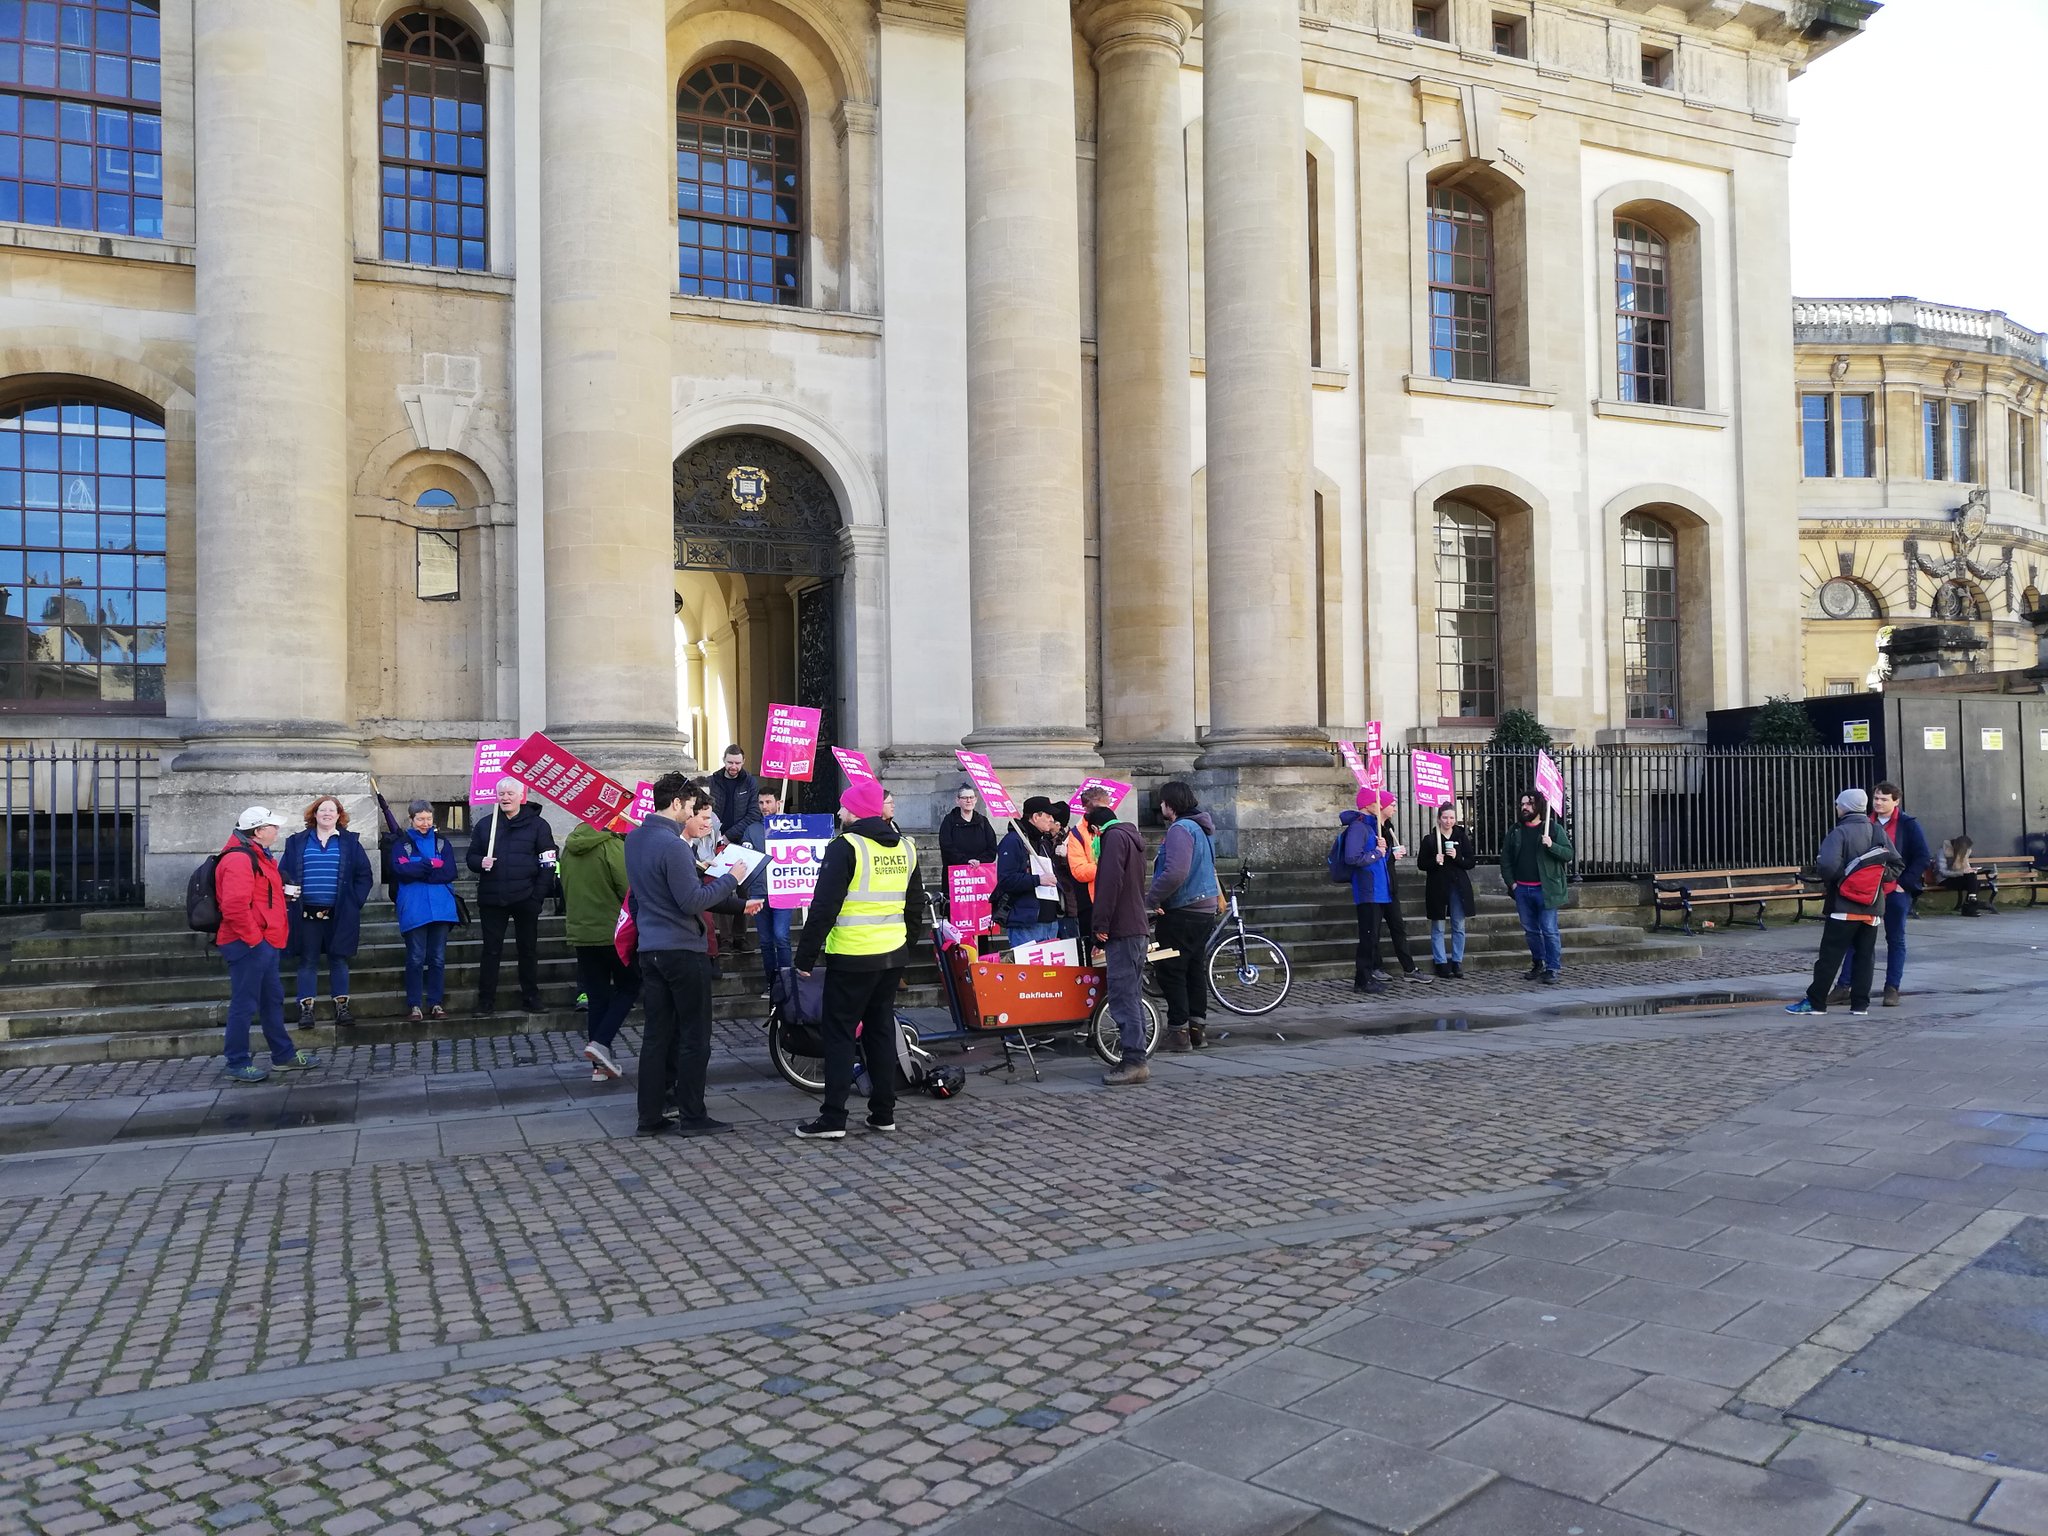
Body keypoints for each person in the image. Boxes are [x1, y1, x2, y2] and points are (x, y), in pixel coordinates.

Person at [792, 779, 926, 1140]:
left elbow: (824, 907)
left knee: (839, 1036)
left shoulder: (845, 846)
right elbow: (915, 905)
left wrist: (805, 956)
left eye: (844, 806)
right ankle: (883, 1112)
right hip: (891, 955)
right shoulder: (906, 847)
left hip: (852, 955)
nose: (839, 812)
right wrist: (905, 945)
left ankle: (833, 1118)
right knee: (880, 1032)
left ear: (855, 811)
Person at [624, 774, 757, 1137]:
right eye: (690, 805)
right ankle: (693, 1115)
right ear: (677, 804)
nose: (692, 810)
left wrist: (737, 905)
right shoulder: (673, 845)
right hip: (682, 949)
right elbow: (691, 901)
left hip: (651, 949)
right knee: (695, 1037)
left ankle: (649, 1116)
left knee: (656, 1037)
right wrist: (731, 878)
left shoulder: (634, 839)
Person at [215, 806, 320, 1084]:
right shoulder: (240, 859)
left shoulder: (257, 855)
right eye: (273, 827)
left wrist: (281, 898)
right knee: (245, 1003)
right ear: (259, 831)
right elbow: (234, 907)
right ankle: (237, 1061)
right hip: (249, 942)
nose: (277, 830)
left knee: (271, 1000)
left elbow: (255, 899)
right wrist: (255, 940)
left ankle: (282, 1055)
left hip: (262, 940)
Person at [1790, 788, 1902, 1018]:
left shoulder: (1839, 832)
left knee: (1830, 956)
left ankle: (1816, 1002)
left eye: (1838, 804)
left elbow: (1828, 866)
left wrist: (1843, 880)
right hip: (1872, 906)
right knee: (1865, 957)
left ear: (1845, 807)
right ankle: (1860, 1005)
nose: (1837, 807)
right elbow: (1896, 864)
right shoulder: (1877, 831)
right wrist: (1875, 878)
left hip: (1843, 906)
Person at [278, 796, 375, 1029]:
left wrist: (354, 902)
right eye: (322, 810)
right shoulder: (297, 842)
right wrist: (288, 892)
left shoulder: (350, 842)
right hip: (306, 914)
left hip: (340, 913)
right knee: (308, 960)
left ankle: (342, 1007)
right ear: (314, 814)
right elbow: (283, 872)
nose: (327, 814)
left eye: (332, 810)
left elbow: (364, 875)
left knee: (338, 959)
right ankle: (306, 1009)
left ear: (339, 815)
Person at [1832, 781, 1931, 1007]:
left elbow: (1922, 856)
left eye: (1884, 799)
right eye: (1876, 798)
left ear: (1896, 802)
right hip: (1868, 891)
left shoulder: (1908, 825)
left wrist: (1904, 884)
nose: (1878, 802)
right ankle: (1844, 987)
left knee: (1895, 939)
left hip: (1895, 891)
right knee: (1856, 938)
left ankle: (1892, 988)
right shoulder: (1866, 822)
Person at [467, 777, 558, 1015]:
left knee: (528, 950)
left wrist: (537, 897)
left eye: (510, 793)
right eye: (501, 794)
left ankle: (531, 998)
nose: (505, 798)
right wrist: (480, 862)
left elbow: (548, 862)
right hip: (492, 898)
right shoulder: (486, 825)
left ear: (521, 796)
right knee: (491, 950)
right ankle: (486, 1001)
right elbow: (471, 857)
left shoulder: (538, 825)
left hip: (526, 897)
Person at [560, 817, 636, 1082]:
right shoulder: (611, 845)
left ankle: (600, 1067)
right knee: (630, 986)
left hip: (582, 932)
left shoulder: (568, 848)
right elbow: (628, 889)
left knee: (597, 997)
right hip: (611, 932)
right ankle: (601, 1042)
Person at [1147, 780, 1219, 1051]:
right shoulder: (1201, 828)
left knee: (1171, 969)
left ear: (1170, 804)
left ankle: (1178, 1031)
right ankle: (1196, 1029)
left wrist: (1152, 898)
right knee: (1193, 968)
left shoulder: (1180, 829)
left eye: (1162, 802)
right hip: (1203, 909)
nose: (1160, 806)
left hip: (1184, 909)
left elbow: (1176, 872)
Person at [1091, 803, 1151, 1085]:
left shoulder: (1113, 838)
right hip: (1135, 927)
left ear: (1095, 829)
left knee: (1123, 996)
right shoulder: (1131, 837)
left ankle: (1134, 1060)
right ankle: (1136, 1057)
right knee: (1131, 995)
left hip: (1123, 929)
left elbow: (1109, 884)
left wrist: (1100, 925)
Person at [390, 799, 459, 1024]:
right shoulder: (401, 843)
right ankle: (414, 1004)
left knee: (438, 958)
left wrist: (418, 866)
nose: (425, 823)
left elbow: (450, 871)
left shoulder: (442, 842)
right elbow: (400, 870)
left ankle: (436, 1002)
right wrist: (431, 865)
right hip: (414, 908)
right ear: (411, 819)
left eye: (428, 819)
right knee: (416, 958)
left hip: (441, 908)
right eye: (420, 819)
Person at [1501, 789, 1574, 984]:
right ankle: (1538, 962)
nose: (1524, 807)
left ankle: (1552, 967)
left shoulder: (1553, 829)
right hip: (1522, 890)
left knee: (1549, 930)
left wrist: (1552, 845)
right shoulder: (1515, 830)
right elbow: (1505, 859)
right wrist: (1512, 884)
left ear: (1539, 806)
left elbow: (1568, 854)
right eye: (1523, 804)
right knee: (1531, 931)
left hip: (1546, 890)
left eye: (1529, 804)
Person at [1360, 790, 1428, 985]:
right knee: (1373, 930)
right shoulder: (1369, 828)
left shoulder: (1388, 827)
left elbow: (1386, 859)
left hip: (1390, 885)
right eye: (1392, 805)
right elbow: (1373, 859)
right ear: (1381, 806)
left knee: (1398, 927)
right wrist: (1389, 856)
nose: (1395, 809)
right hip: (1376, 887)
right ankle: (1375, 967)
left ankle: (1409, 968)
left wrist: (1393, 855)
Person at [995, 796, 1066, 949]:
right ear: (1035, 817)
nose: (1052, 819)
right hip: (1026, 921)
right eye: (1048, 815)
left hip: (1049, 920)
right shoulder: (1013, 841)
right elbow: (1006, 880)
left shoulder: (1042, 841)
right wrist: (1038, 880)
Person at [708, 746, 759, 957]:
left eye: (737, 763)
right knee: (722, 889)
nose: (734, 767)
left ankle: (740, 936)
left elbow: (754, 813)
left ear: (743, 762)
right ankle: (726, 939)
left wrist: (730, 834)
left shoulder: (750, 782)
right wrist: (717, 835)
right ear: (724, 760)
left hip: (742, 842)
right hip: (716, 842)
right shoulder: (713, 781)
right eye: (730, 762)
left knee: (743, 890)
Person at [744, 785, 793, 998]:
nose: (764, 806)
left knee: (781, 936)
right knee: (765, 941)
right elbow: (746, 857)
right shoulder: (752, 829)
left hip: (783, 890)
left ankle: (787, 984)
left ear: (778, 803)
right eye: (761, 802)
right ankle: (772, 984)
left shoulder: (792, 826)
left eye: (768, 802)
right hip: (759, 890)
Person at [1419, 803, 1477, 979]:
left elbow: (1470, 862)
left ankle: (1457, 961)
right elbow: (1421, 864)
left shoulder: (1461, 837)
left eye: (1452, 818)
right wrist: (1435, 860)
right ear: (1439, 818)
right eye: (1445, 817)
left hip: (1458, 887)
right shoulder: (1430, 839)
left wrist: (1457, 857)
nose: (1448, 821)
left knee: (1458, 925)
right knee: (1438, 925)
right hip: (1438, 887)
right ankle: (1441, 962)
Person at [1066, 785, 1112, 962]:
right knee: (1094, 956)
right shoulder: (1077, 833)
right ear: (1086, 809)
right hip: (1091, 901)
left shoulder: (1116, 828)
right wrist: (1106, 867)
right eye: (1099, 808)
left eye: (1106, 807)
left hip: (1113, 898)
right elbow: (1079, 871)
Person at [938, 784, 999, 876]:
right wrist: (965, 861)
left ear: (976, 799)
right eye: (964, 798)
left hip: (980, 873)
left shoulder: (983, 821)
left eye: (971, 797)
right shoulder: (949, 821)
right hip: (956, 874)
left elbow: (992, 846)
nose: (969, 800)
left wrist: (980, 861)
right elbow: (946, 846)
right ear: (957, 800)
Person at [1934, 835, 1998, 916]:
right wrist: (1962, 872)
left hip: (1958, 877)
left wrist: (1970, 870)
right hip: (1944, 880)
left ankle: (1971, 901)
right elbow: (1942, 872)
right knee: (1974, 882)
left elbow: (1966, 866)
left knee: (1974, 880)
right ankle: (1969, 907)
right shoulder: (1942, 851)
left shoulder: (1964, 852)